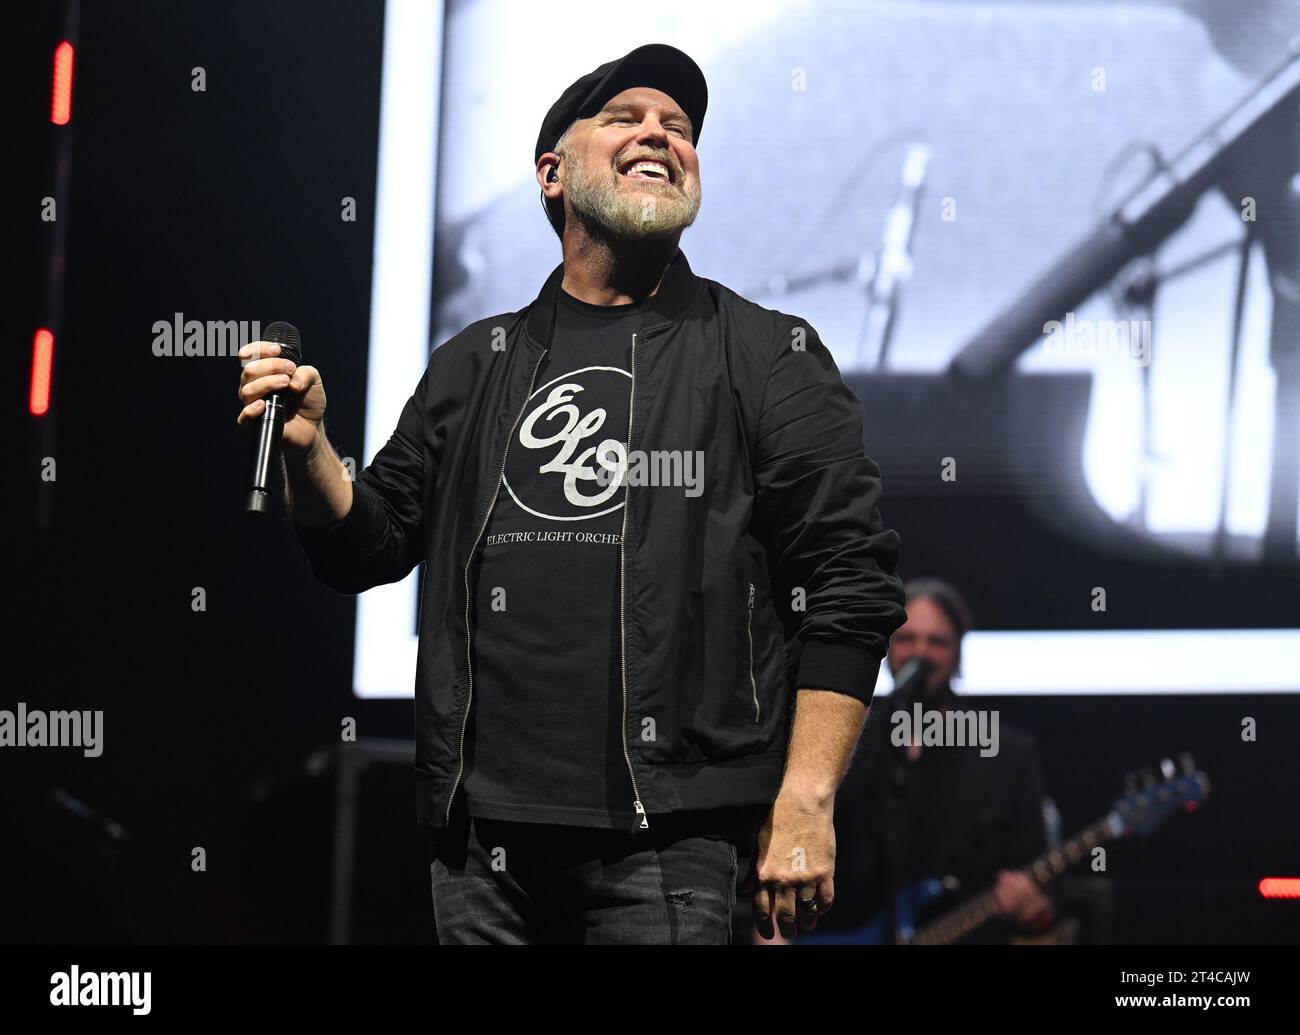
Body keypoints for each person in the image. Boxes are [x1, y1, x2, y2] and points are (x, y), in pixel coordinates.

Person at [235, 43, 906, 944]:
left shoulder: (765, 354)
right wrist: (311, 455)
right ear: (552, 174)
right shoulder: (477, 363)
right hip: (484, 850)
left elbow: (850, 581)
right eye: (627, 116)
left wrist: (806, 799)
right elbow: (368, 545)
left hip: (669, 840)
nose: (660, 135)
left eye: (679, 127)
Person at [799, 578, 1056, 944]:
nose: (921, 652)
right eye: (907, 639)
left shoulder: (1005, 752)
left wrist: (1033, 910)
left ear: (957, 653)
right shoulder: (843, 739)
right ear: (887, 648)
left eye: (937, 642)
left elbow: (1034, 873)